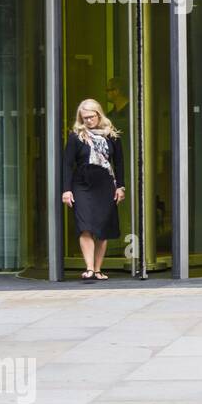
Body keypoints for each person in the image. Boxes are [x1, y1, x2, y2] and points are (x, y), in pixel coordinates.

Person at [61, 98, 126, 282]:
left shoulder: (111, 135)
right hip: (82, 183)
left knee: (102, 228)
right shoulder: (76, 136)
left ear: (99, 114)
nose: (88, 121)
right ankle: (89, 268)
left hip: (105, 183)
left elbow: (119, 162)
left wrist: (120, 186)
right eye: (84, 118)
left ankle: (98, 269)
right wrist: (66, 190)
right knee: (85, 226)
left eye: (91, 117)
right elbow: (67, 164)